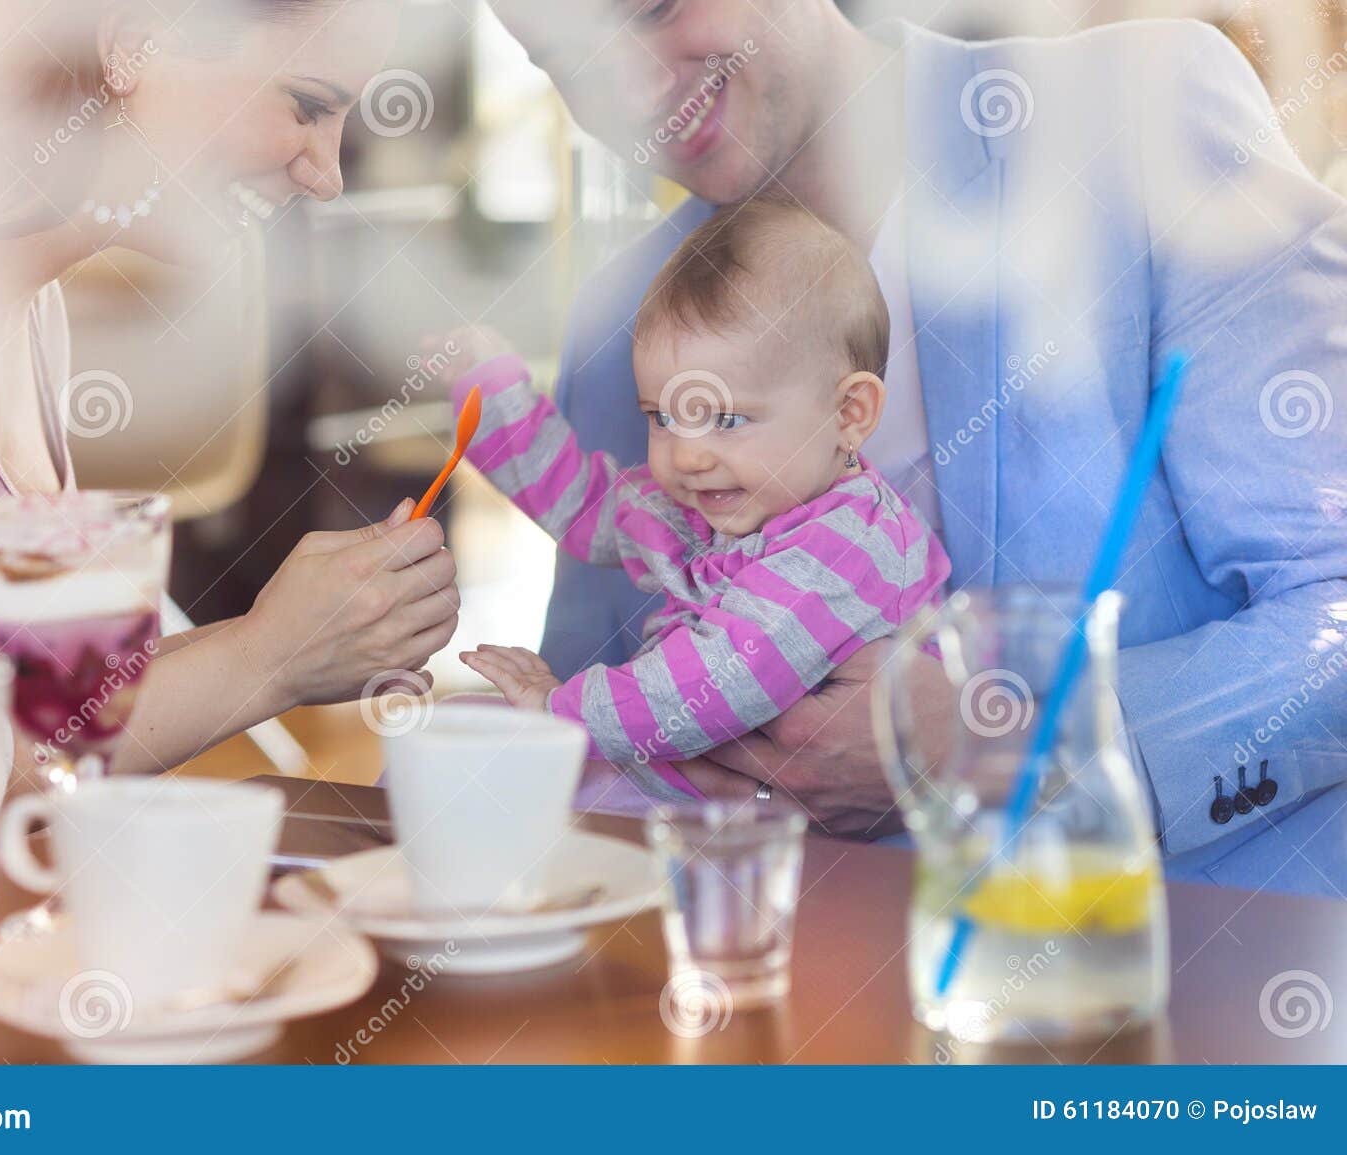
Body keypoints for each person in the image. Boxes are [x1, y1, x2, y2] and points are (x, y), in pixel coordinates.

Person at [492, 1, 1347, 895]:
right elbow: (587, 753)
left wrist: (1012, 744)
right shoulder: (620, 330)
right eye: (565, 58)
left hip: (1197, 975)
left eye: (655, 7)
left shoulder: (1138, 118)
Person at [0, 0, 459, 922]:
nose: (323, 175)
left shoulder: (25, 310)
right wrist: (270, 655)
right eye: (306, 102)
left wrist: (293, 627)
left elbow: (43, 714)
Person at [449, 199, 949, 811]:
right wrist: (494, 400)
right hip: (688, 786)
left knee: (480, 779)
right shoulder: (706, 500)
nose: (686, 457)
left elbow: (722, 678)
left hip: (774, 825)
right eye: (662, 418)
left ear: (849, 413)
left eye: (727, 419)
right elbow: (585, 505)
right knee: (453, 737)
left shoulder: (848, 545)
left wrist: (561, 708)